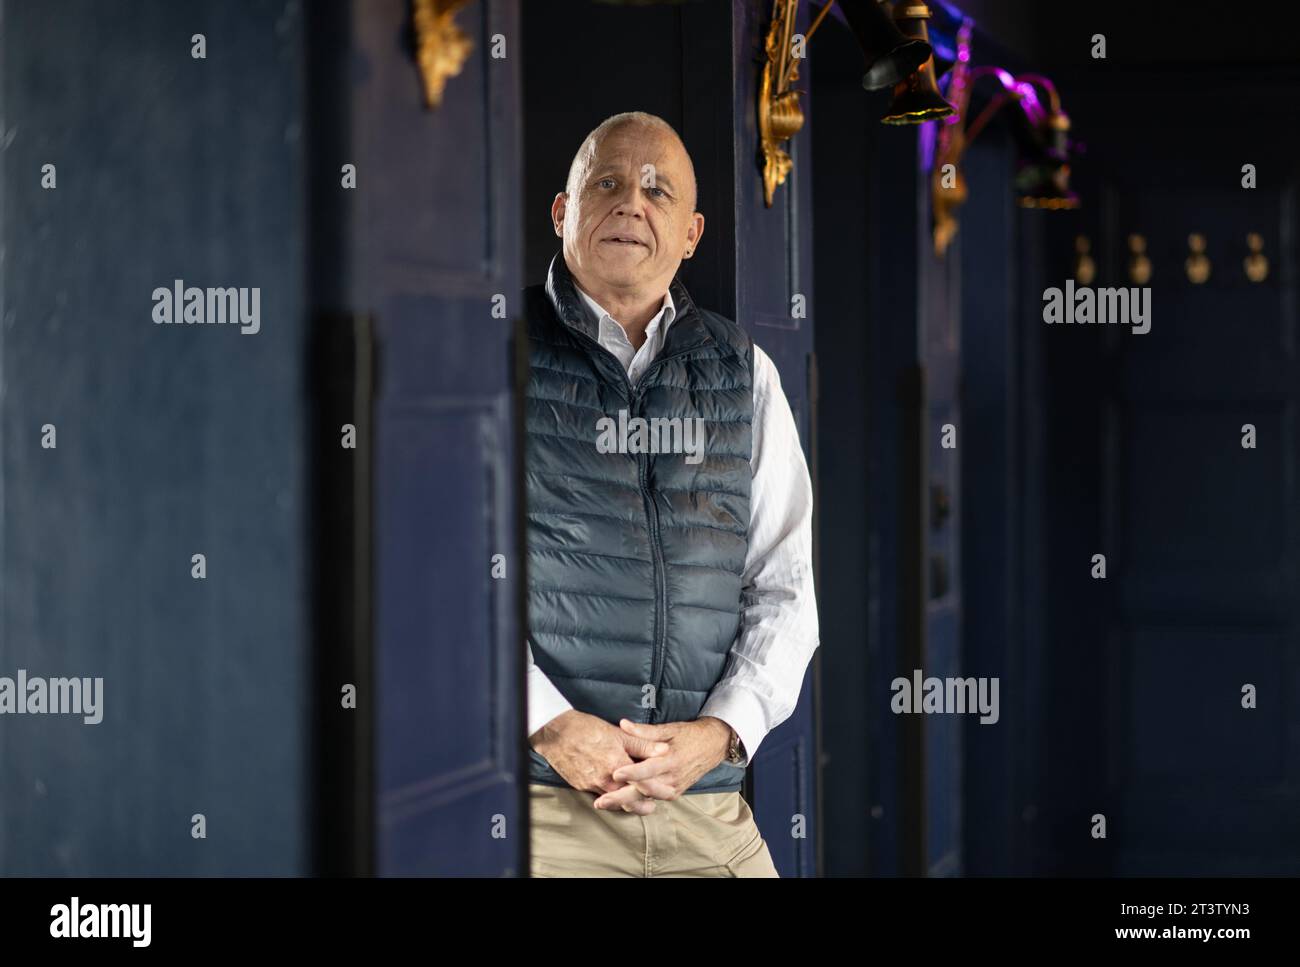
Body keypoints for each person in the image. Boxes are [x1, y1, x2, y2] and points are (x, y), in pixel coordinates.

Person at [523, 111, 819, 877]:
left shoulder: (744, 371)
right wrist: (548, 724)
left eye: (657, 191)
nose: (631, 203)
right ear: (563, 212)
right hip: (544, 815)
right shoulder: (492, 354)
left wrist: (719, 734)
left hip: (706, 809)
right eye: (607, 183)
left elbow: (785, 589)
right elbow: (441, 578)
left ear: (691, 234)